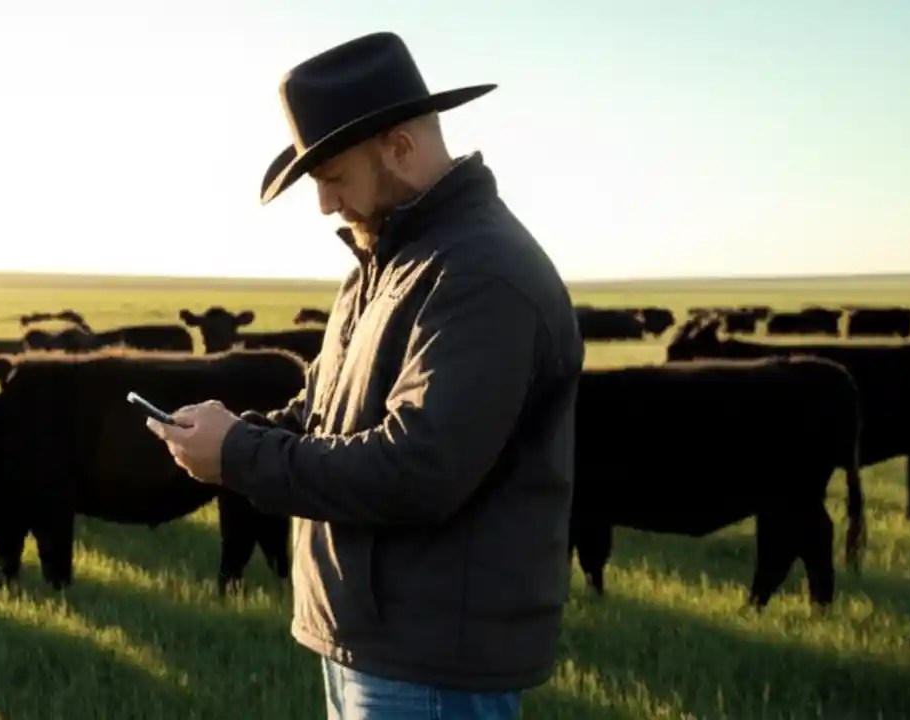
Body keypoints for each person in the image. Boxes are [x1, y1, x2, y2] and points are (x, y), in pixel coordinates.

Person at [146, 31, 584, 720]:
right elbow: (326, 415)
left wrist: (239, 453)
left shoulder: (482, 275)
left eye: (331, 178)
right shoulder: (382, 266)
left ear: (400, 147)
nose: (324, 204)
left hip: (431, 659)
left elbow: (418, 468)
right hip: (371, 641)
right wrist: (233, 433)